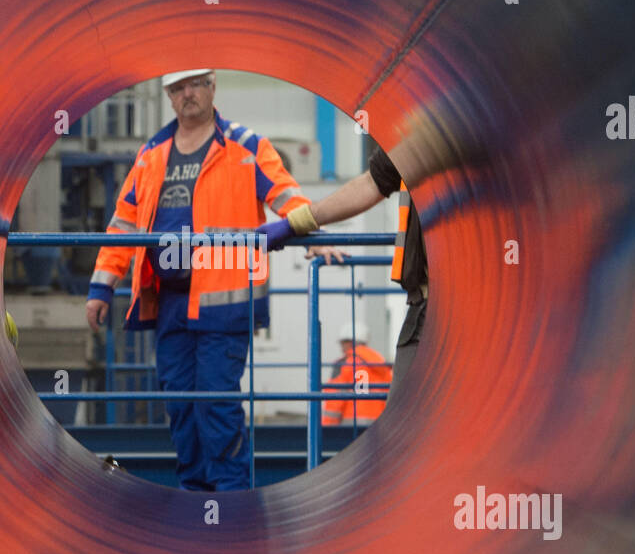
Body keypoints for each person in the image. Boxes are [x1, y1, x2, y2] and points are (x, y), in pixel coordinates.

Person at [85, 70, 343, 491]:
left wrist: (308, 232)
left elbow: (286, 193)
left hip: (223, 302)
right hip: (168, 302)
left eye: (195, 84)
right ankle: (195, 499)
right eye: (178, 88)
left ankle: (230, 503)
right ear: (169, 96)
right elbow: (123, 224)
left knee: (216, 405)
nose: (187, 94)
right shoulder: (151, 155)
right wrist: (102, 286)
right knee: (181, 407)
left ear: (212, 87)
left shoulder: (246, 145)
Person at [259, 142, 428, 396]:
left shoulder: (446, 127)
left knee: (413, 422)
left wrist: (294, 224)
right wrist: (296, 223)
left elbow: (373, 183)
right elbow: (375, 181)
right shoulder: (425, 133)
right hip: (426, 309)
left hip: (455, 309)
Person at [322, 324, 393, 425]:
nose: (341, 348)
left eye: (342, 343)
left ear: (349, 342)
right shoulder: (382, 364)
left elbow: (334, 398)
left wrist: (327, 427)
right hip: (378, 425)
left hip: (350, 426)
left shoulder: (343, 363)